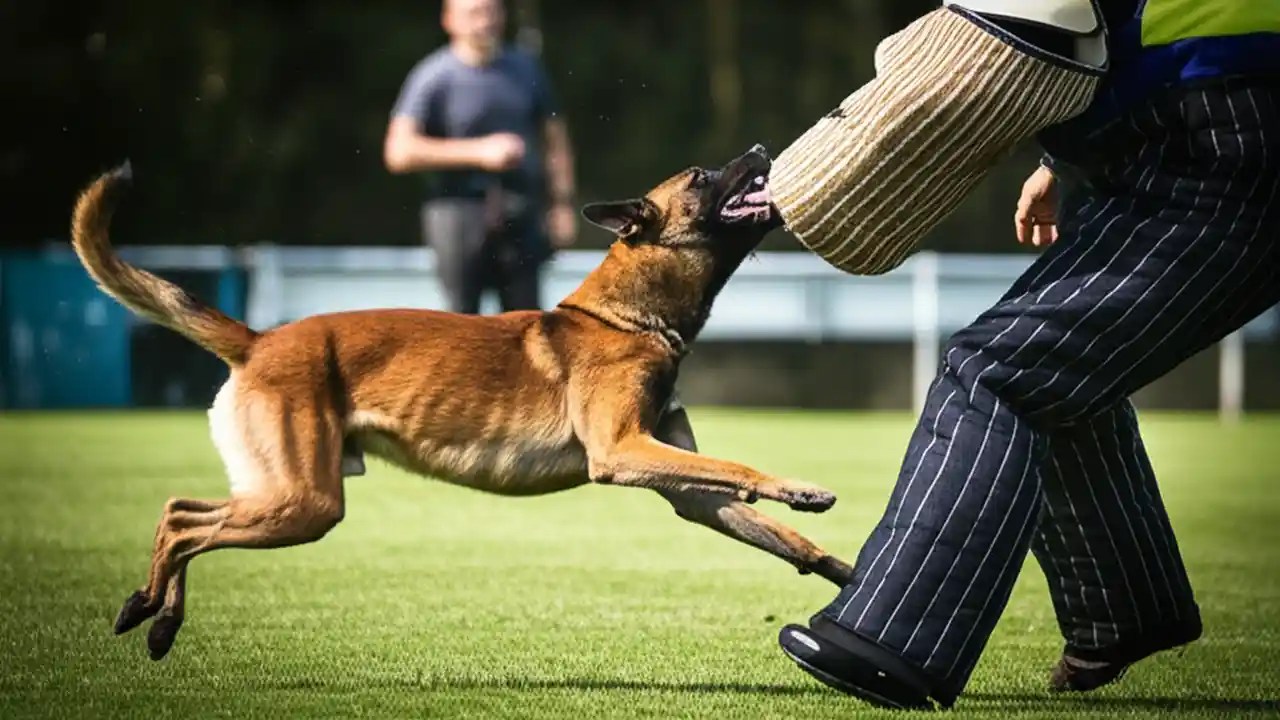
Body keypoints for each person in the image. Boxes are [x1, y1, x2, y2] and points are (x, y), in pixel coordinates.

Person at [768, 0, 1280, 710]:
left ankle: (889, 642)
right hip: (1181, 144)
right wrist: (1054, 159)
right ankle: (1123, 613)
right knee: (1049, 374)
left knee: (995, 372)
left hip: (1229, 150)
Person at [383, 0, 577, 314]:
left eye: (492, 11)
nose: (485, 21)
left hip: (520, 211)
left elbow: (555, 139)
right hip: (457, 212)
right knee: (461, 324)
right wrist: (478, 152)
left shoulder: (526, 69)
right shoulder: (433, 76)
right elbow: (398, 152)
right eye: (474, 13)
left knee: (527, 322)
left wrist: (562, 204)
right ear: (449, 20)